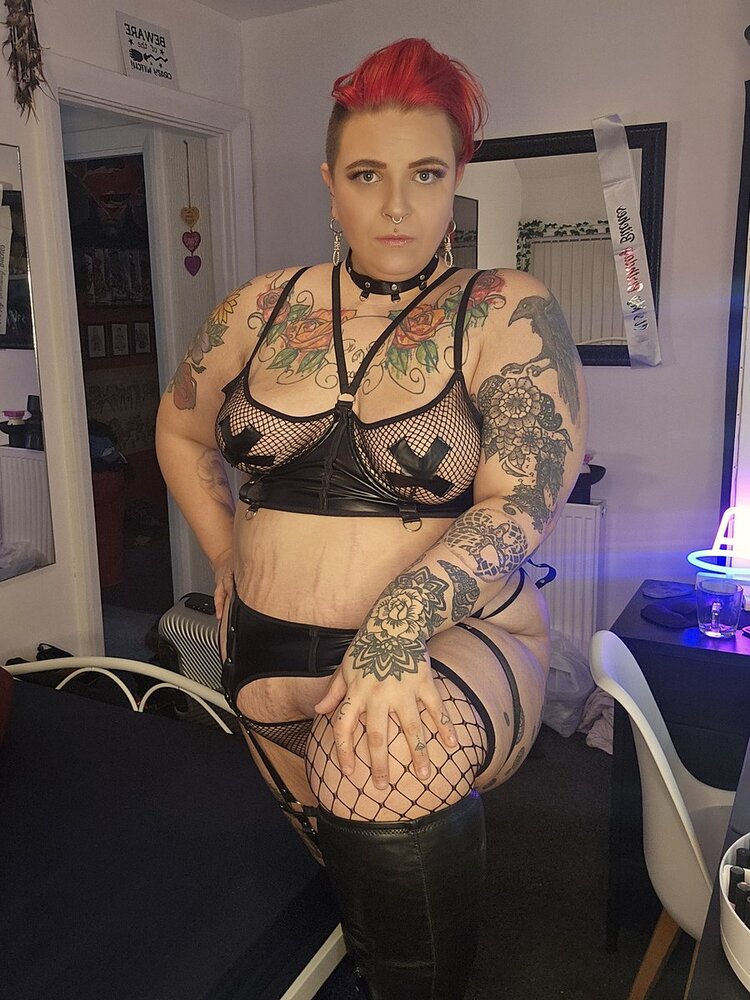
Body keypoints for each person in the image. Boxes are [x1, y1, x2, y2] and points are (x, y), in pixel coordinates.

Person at [156, 37, 587, 1000]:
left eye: (425, 173)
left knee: (378, 780)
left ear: (455, 177)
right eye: (367, 175)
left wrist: (396, 626)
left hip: (450, 637)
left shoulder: (502, 309)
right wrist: (225, 555)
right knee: (353, 879)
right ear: (331, 183)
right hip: (264, 645)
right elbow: (180, 433)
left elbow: (522, 499)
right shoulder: (257, 309)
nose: (397, 206)